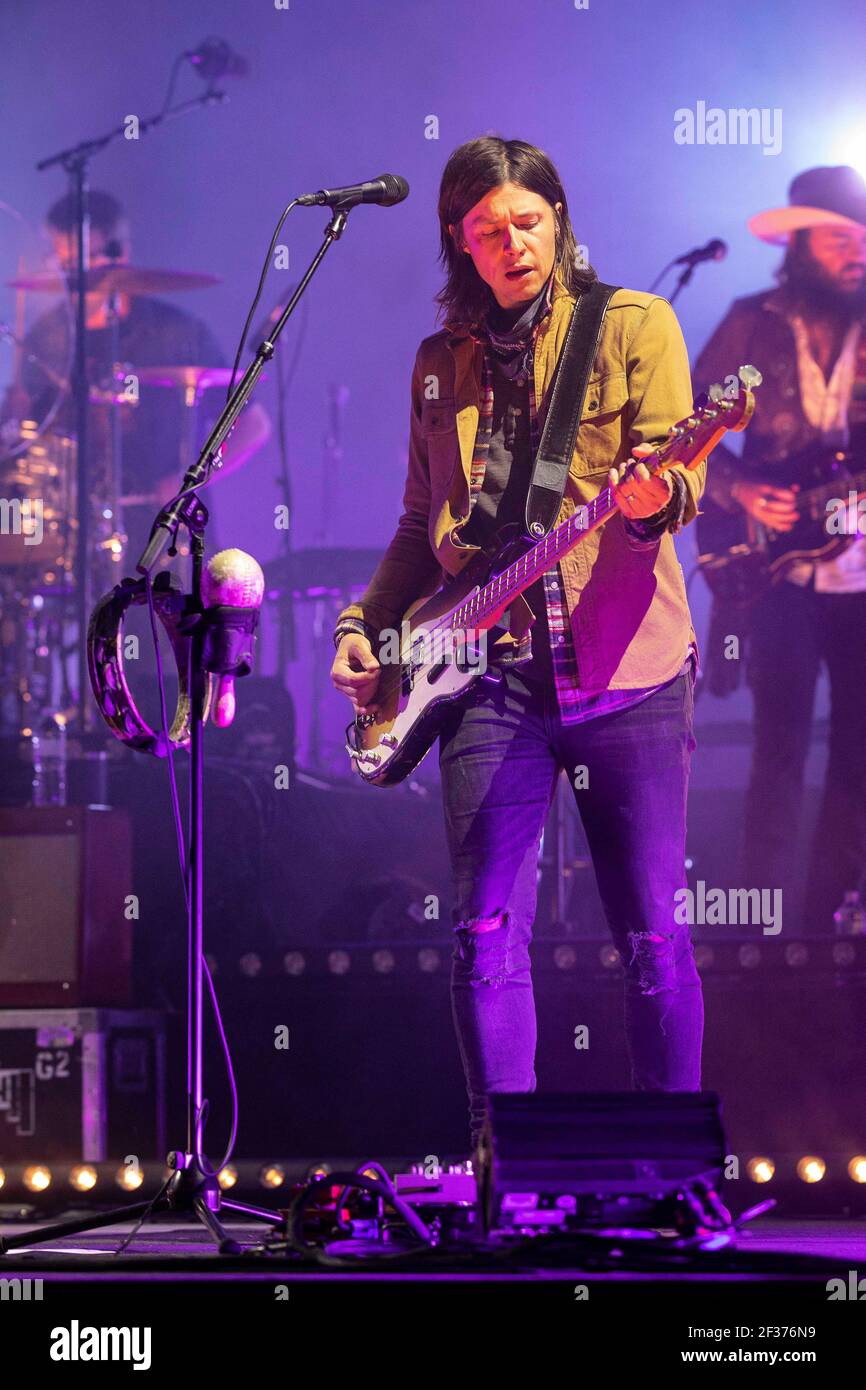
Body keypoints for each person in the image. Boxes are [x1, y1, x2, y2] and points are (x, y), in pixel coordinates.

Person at [330, 135, 707, 1149]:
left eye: (528, 222)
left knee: (649, 936)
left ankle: (673, 1170)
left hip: (625, 669)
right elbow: (421, 524)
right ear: (459, 241)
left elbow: (679, 478)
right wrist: (363, 623)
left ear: (558, 219)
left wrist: (648, 497)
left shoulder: (632, 325)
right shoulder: (436, 363)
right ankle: (509, 1169)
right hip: (485, 683)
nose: (513, 244)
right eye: (488, 230)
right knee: (484, 933)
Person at [693, 166, 866, 933]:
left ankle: (830, 924)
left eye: (863, 240)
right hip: (771, 570)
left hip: (861, 571)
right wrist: (742, 494)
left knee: (860, 754)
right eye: (838, 238)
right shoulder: (750, 321)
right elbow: (684, 434)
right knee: (780, 748)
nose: (856, 253)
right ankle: (756, 937)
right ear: (800, 244)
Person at [2, 188, 270, 571]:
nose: (69, 277)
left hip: (170, 533)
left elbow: (253, 427)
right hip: (74, 543)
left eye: (80, 262)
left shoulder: (177, 333)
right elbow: (24, 437)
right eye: (60, 263)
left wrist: (188, 479)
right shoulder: (46, 338)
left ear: (118, 256)